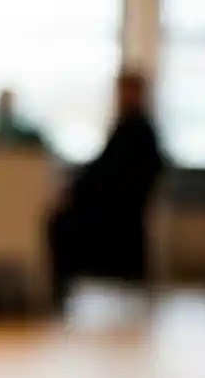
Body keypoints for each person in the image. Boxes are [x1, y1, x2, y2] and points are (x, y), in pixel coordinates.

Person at [46, 69, 165, 311]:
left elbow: (111, 176)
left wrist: (76, 191)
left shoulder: (138, 129)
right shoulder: (127, 126)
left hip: (115, 213)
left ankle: (60, 294)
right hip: (109, 206)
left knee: (60, 223)